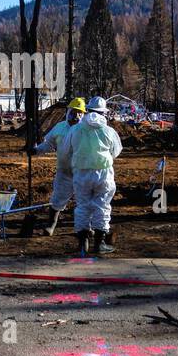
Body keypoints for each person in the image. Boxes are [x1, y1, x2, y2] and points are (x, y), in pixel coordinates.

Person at [59, 96, 124, 255]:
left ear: (87, 110)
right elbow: (116, 152)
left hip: (81, 172)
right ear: (103, 113)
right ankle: (100, 243)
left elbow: (66, 150)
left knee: (82, 206)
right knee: (102, 206)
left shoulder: (75, 129)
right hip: (103, 173)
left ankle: (83, 244)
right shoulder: (109, 131)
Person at [31, 97, 86, 236]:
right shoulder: (60, 128)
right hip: (64, 172)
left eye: (80, 113)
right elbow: (49, 143)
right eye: (74, 112)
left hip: (83, 172)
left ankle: (86, 228)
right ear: (68, 112)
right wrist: (36, 150)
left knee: (85, 201)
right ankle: (51, 225)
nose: (76, 115)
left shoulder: (87, 130)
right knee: (57, 199)